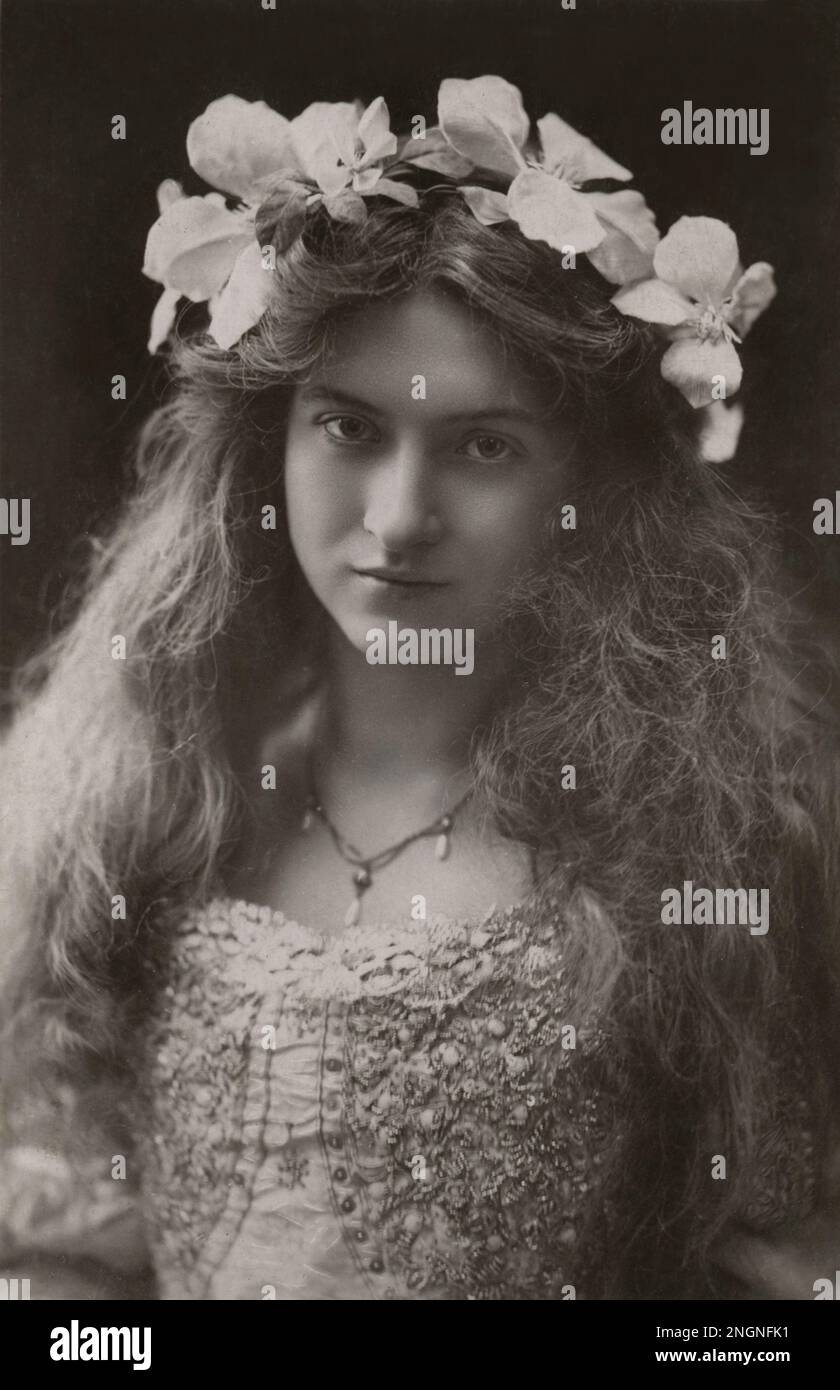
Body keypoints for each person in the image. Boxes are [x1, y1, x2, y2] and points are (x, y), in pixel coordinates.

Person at [1, 76, 838, 1301]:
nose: (398, 519)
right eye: (347, 429)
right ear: (267, 442)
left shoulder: (700, 846)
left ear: (586, 491)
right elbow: (61, 1268)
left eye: (484, 446)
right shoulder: (141, 801)